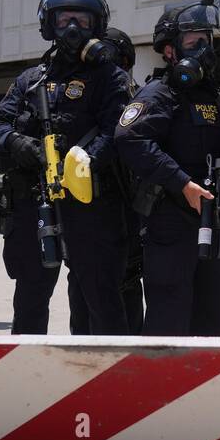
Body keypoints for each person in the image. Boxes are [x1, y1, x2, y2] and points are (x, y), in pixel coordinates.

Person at [0, 0, 131, 334]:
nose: (72, 28)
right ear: (49, 24)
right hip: (35, 202)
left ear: (95, 26)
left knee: (100, 301)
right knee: (30, 301)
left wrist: (83, 162)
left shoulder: (111, 78)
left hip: (89, 203)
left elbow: (118, 130)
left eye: (81, 21)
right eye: (65, 18)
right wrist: (21, 145)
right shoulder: (30, 80)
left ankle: (108, 381)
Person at [115, 0, 220, 335]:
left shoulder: (219, 98)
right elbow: (128, 138)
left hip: (217, 218)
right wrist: (181, 183)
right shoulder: (159, 94)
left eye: (207, 40)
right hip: (172, 220)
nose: (203, 48)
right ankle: (162, 385)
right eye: (194, 41)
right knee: (169, 315)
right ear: (170, 50)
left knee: (211, 316)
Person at [68, 26, 145, 334]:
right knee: (82, 288)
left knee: (125, 285)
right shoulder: (81, 102)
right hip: (89, 210)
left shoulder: (138, 98)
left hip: (127, 207)